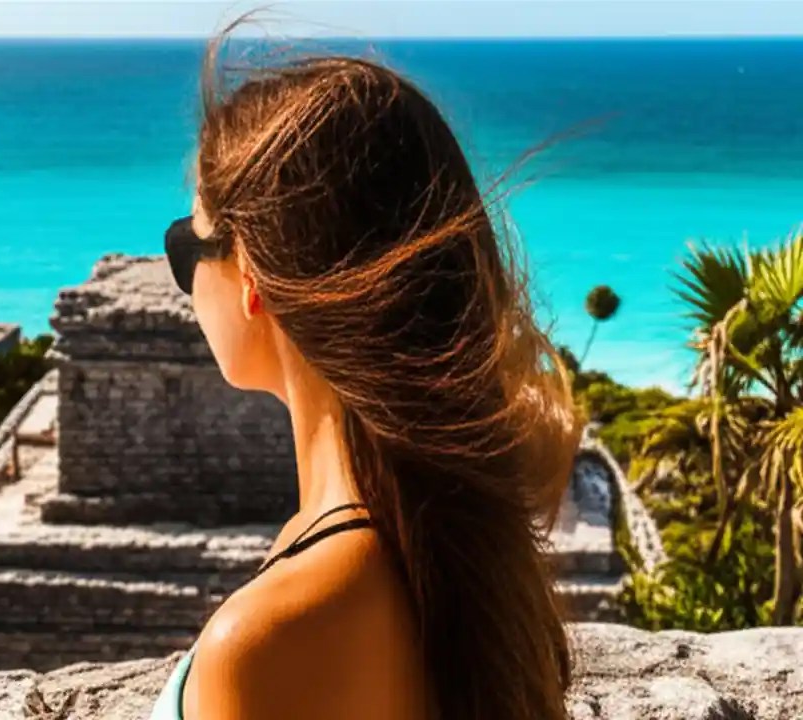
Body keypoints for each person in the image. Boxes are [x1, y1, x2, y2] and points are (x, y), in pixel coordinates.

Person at [151, 34, 580, 720]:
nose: (182, 275)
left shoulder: (263, 643)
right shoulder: (470, 552)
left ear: (252, 278)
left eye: (187, 243)